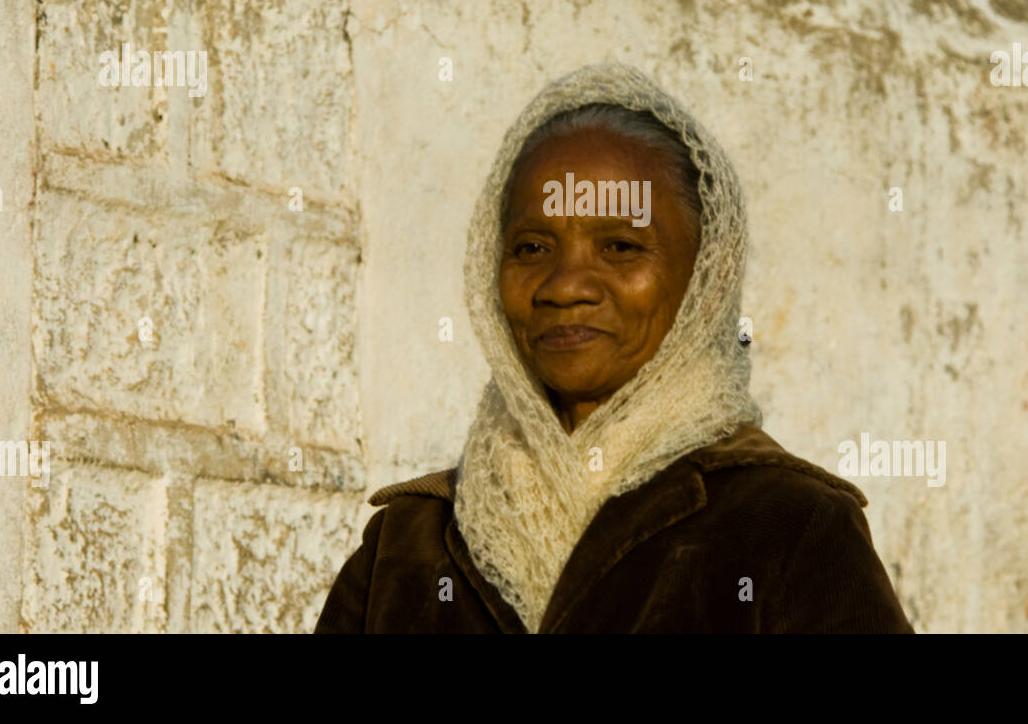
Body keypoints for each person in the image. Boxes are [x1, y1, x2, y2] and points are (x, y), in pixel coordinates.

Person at [315, 61, 913, 633]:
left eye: (620, 247)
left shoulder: (789, 526)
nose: (564, 286)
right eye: (531, 248)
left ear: (710, 275)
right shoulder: (408, 543)